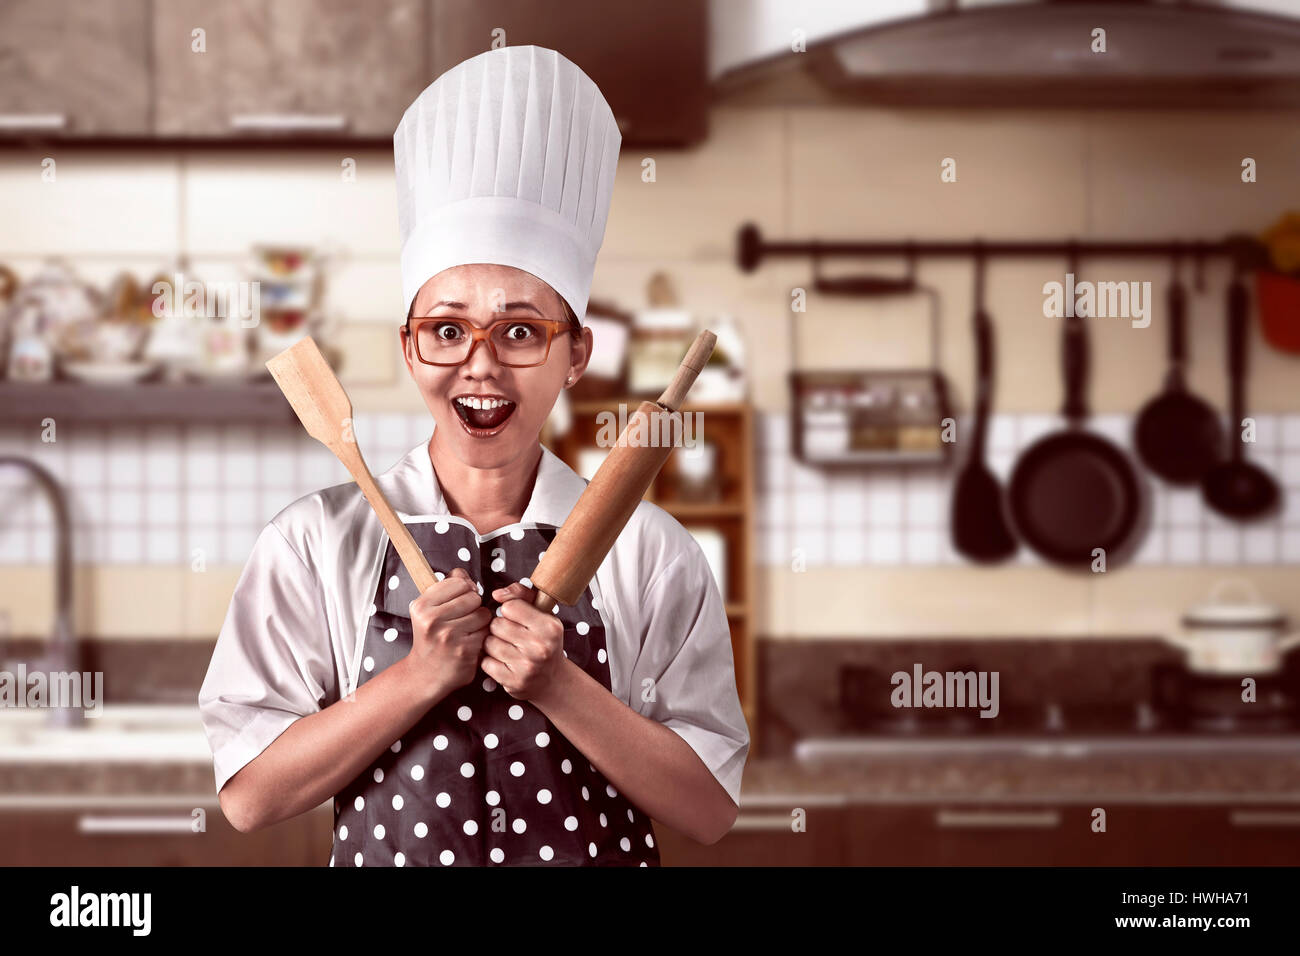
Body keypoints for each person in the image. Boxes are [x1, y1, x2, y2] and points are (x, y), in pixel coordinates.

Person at [198, 45, 749, 867]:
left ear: (577, 354)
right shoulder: (319, 541)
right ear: (411, 350)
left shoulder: (650, 552)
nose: (481, 365)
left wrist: (560, 687)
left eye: (521, 331)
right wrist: (417, 676)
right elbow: (249, 795)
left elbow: (707, 811)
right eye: (447, 330)